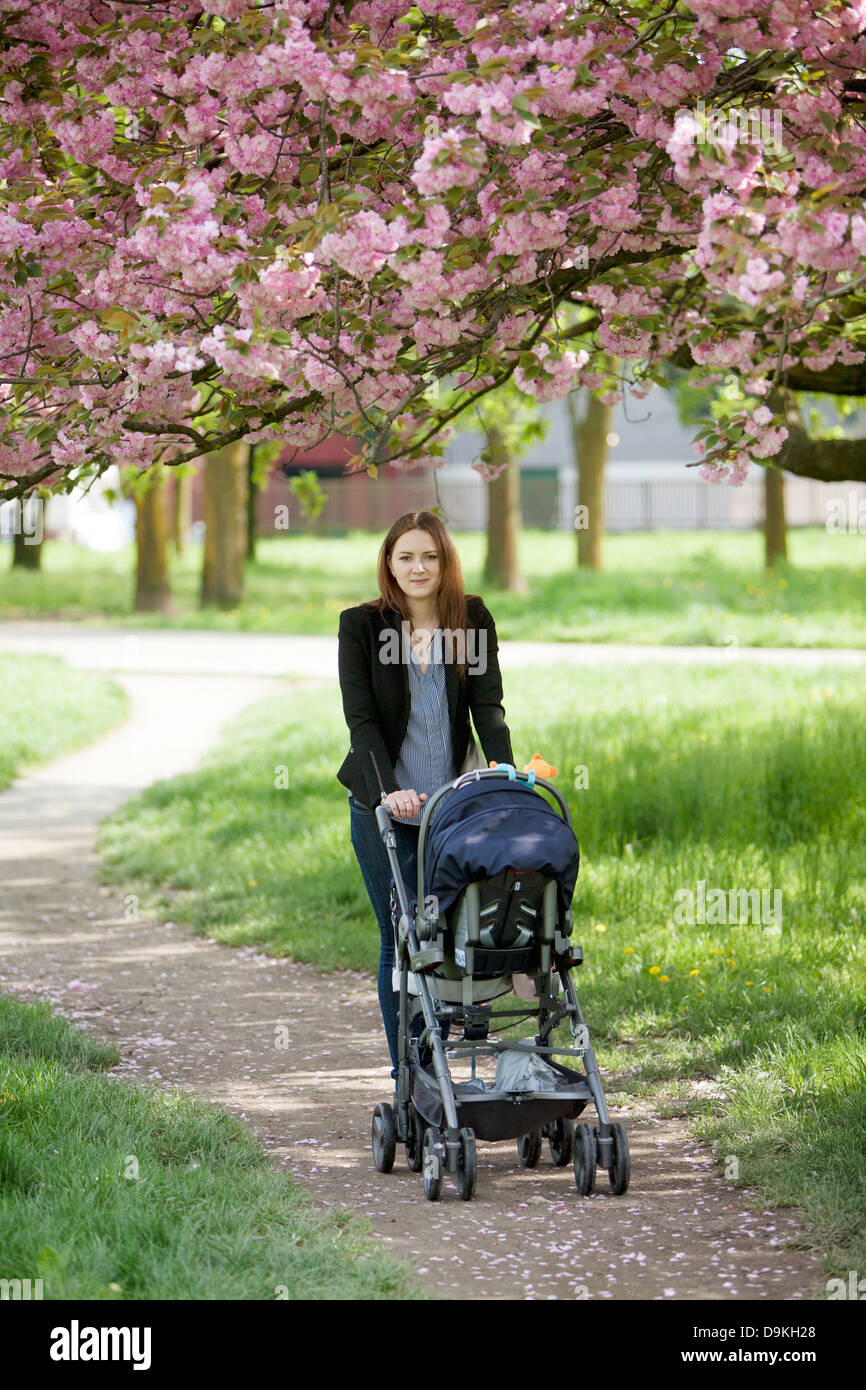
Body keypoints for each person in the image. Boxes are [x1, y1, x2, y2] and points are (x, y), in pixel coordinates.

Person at [337, 510, 514, 1092]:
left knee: (468, 926)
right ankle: (405, 1077)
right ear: (389, 561)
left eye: (430, 557)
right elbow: (362, 723)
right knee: (404, 937)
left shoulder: (472, 618)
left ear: (446, 563)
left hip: (455, 809)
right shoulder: (362, 627)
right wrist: (390, 790)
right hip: (386, 807)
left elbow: (487, 707)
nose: (418, 568)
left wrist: (502, 767)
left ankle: (460, 1039)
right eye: (406, 556)